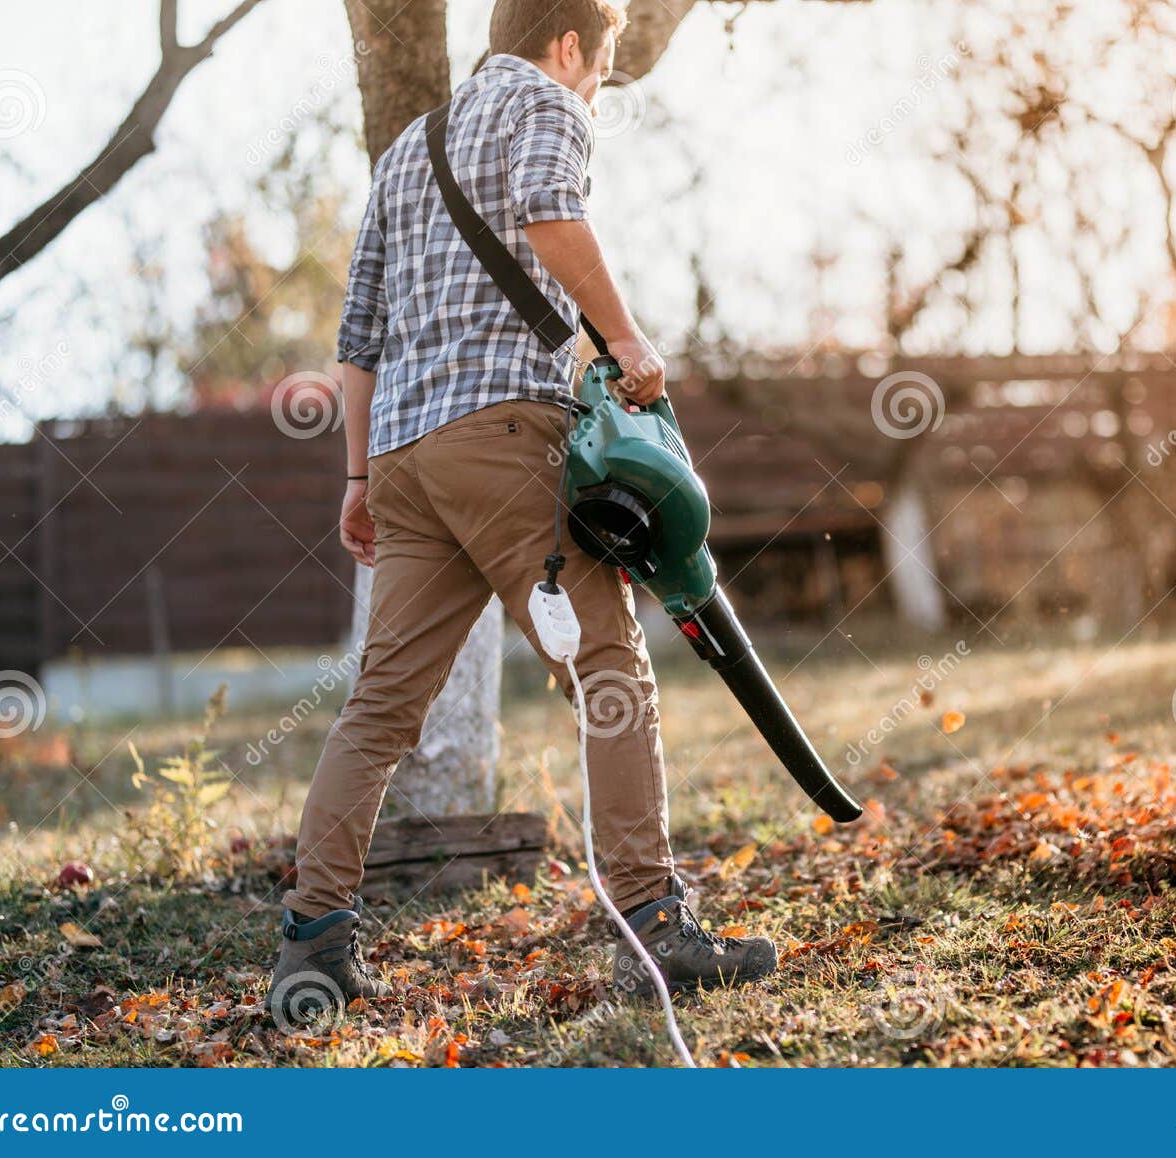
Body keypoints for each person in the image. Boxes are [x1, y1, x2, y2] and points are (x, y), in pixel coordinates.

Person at [270, 0, 776, 1014]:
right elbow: (553, 214)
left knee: (379, 708)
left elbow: (358, 334)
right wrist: (626, 341)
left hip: (409, 459)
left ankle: (311, 944)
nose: (593, 90)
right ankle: (651, 926)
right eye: (596, 69)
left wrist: (360, 478)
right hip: (504, 435)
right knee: (608, 667)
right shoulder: (546, 102)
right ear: (568, 44)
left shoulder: (405, 150)